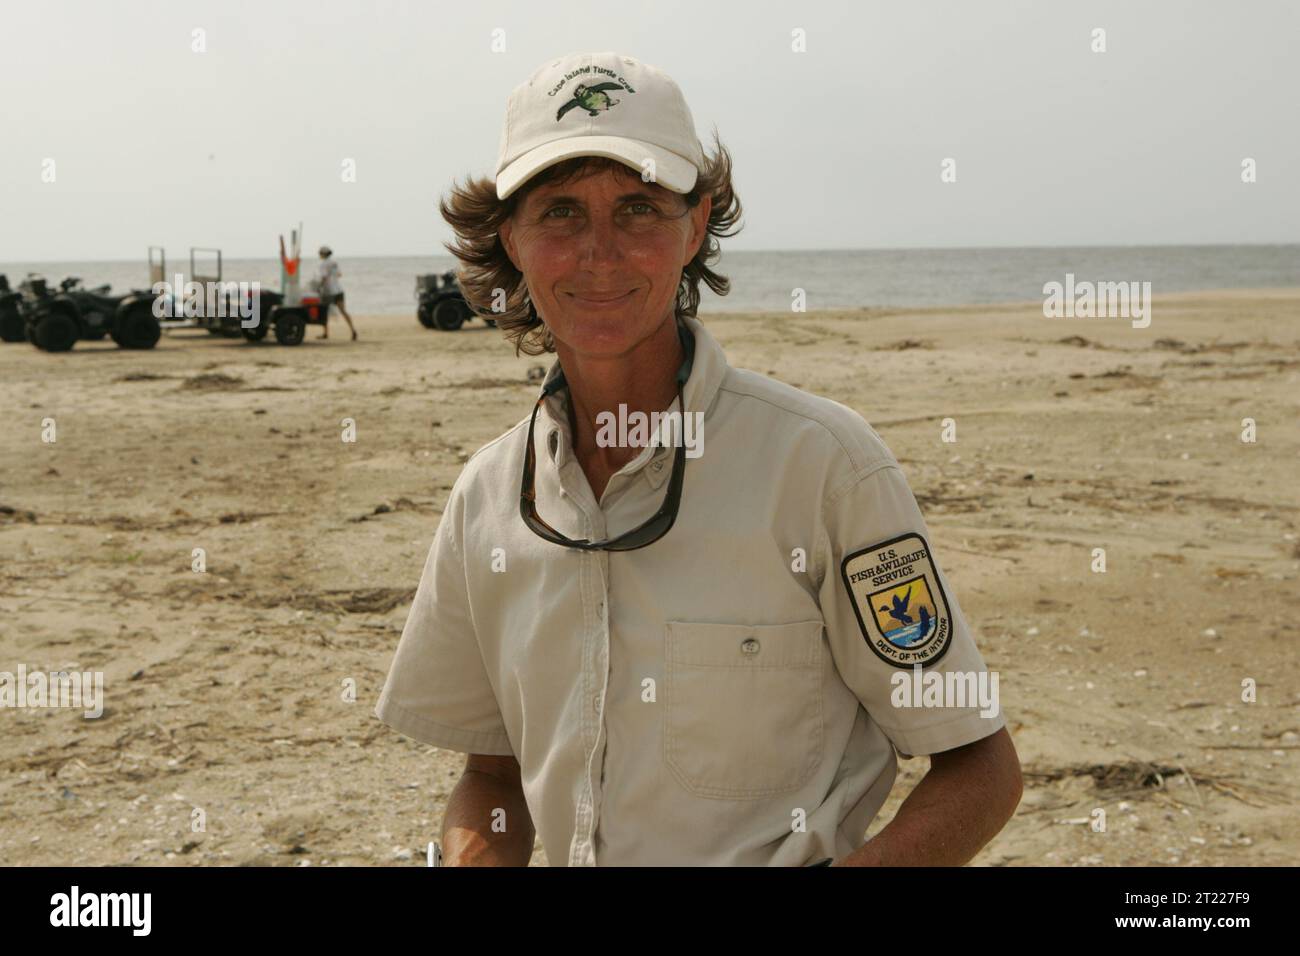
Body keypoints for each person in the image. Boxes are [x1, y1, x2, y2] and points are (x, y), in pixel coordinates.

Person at [374, 51, 1022, 867]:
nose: (600, 252)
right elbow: (493, 780)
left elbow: (978, 766)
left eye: (639, 208)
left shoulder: (822, 465)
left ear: (696, 225)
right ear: (510, 238)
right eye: (561, 212)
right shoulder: (487, 499)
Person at [316, 246, 357, 340]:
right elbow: (339, 274)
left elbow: (324, 277)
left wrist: (318, 287)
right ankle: (353, 330)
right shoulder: (334, 262)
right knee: (343, 311)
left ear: (323, 254)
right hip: (339, 289)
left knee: (324, 312)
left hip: (328, 291)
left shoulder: (322, 264)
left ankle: (325, 333)